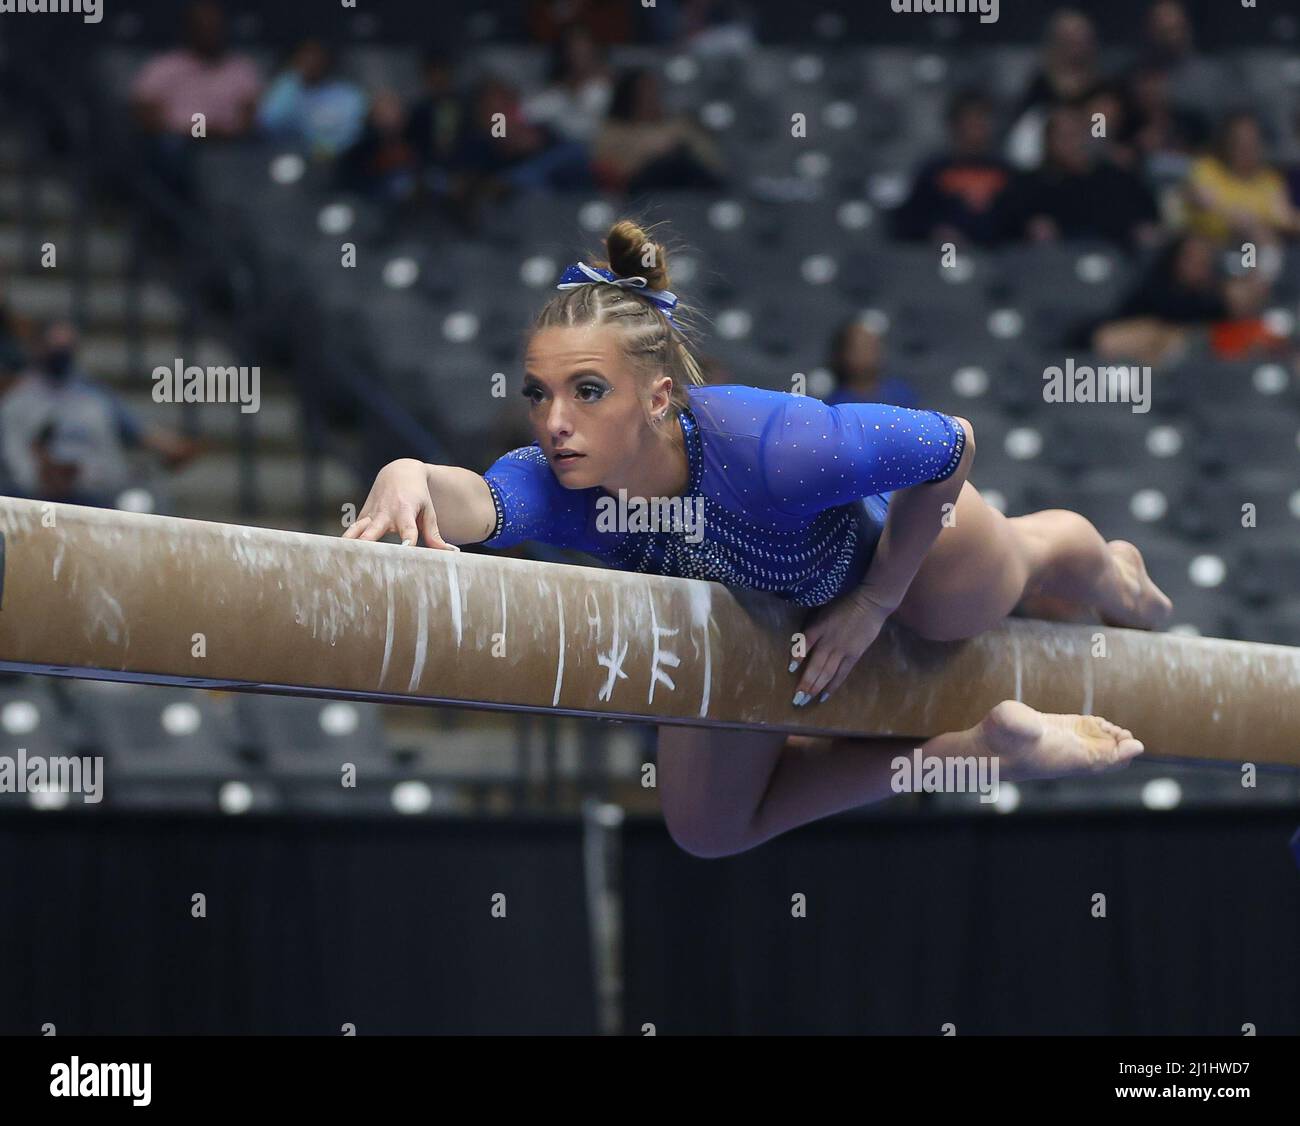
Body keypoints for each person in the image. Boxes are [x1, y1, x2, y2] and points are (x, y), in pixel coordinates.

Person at [342, 220, 1165, 855]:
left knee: (966, 603)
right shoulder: (569, 483)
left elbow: (952, 443)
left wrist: (877, 600)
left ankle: (1104, 566)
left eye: (587, 392)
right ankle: (983, 752)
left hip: (895, 547)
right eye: (539, 395)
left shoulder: (774, 446)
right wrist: (410, 472)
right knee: (708, 828)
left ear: (660, 397)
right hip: (773, 613)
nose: (556, 423)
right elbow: (479, 502)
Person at [0, 322, 201, 507]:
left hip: (97, 494)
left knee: (144, 496)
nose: (61, 354)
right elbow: (15, 458)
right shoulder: (16, 400)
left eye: (66, 347)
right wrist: (43, 474)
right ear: (38, 347)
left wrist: (175, 448)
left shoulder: (95, 397)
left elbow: (143, 432)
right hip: (35, 496)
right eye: (55, 346)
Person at [1001, 105, 1161, 251]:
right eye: (1062, 136)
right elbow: (1009, 226)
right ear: (1048, 142)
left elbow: (1146, 217)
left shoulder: (1116, 178)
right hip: (1055, 263)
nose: (1071, 142)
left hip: (1116, 259)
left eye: (1076, 134)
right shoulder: (1030, 184)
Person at [895, 91, 1013, 246]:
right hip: (947, 256)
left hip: (1001, 258)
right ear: (954, 125)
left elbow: (1018, 221)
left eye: (982, 120)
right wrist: (935, 230)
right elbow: (910, 220)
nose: (977, 127)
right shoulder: (935, 171)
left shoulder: (1006, 172)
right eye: (970, 120)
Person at [592, 69, 726, 194]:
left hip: (685, 185)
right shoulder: (613, 130)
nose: (650, 98)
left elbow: (712, 162)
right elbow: (607, 169)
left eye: (653, 92)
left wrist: (676, 145)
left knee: (680, 161)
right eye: (643, 93)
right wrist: (651, 152)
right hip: (637, 191)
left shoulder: (679, 126)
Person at [1185, 112, 1299, 248]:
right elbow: (1202, 201)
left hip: (1254, 248)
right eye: (1240, 143)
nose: (1247, 150)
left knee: (1262, 240)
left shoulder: (1269, 180)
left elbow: (1285, 218)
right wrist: (1243, 219)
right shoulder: (1207, 169)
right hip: (1210, 247)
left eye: (1253, 143)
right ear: (1227, 144)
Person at [257, 40, 368, 160]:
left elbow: (354, 133)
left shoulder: (348, 94)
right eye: (306, 56)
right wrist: (294, 80)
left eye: (316, 56)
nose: (311, 61)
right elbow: (269, 122)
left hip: (337, 161)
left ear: (327, 60)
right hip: (288, 157)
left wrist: (325, 150)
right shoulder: (286, 86)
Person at [823, 320, 918, 409]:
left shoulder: (900, 393)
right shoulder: (835, 405)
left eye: (872, 346)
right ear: (842, 353)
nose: (868, 353)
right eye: (860, 347)